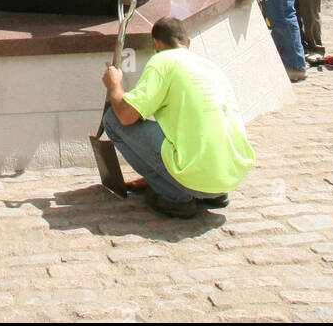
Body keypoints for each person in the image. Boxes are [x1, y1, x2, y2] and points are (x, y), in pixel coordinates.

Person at [101, 14, 255, 219]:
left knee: (113, 119)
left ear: (156, 43)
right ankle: (209, 191)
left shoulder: (162, 60)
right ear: (187, 42)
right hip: (229, 176)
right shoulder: (210, 67)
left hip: (198, 179)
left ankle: (174, 196)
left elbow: (126, 116)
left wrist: (114, 85)